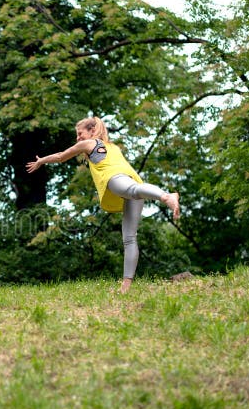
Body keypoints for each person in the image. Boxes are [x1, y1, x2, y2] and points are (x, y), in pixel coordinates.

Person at [26, 116, 180, 293]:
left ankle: (167, 197)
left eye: (80, 133)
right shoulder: (113, 146)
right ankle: (126, 287)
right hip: (135, 183)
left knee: (133, 193)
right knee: (129, 237)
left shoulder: (89, 143)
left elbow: (61, 157)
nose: (78, 138)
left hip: (116, 179)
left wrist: (41, 161)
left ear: (92, 131)